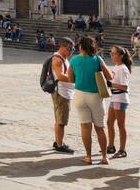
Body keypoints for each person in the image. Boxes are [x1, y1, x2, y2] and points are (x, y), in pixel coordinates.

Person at [68, 36, 111, 165]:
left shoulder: (74, 60)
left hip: (80, 95)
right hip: (96, 96)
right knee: (100, 128)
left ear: (80, 46)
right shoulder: (97, 59)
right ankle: (104, 156)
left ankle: (88, 156)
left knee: (85, 127)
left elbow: (71, 79)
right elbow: (109, 76)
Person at [47, 37, 76, 154]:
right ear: (63, 47)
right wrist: (77, 79)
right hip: (61, 93)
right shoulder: (58, 59)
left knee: (59, 118)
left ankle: (57, 141)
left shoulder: (63, 58)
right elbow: (60, 76)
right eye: (70, 48)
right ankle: (59, 145)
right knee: (61, 120)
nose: (72, 50)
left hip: (64, 92)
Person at [105, 46, 132, 159]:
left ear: (121, 56)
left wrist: (111, 84)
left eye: (114, 53)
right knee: (109, 123)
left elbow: (125, 87)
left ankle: (122, 150)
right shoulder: (116, 67)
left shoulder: (123, 69)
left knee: (121, 125)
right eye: (111, 53)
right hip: (114, 98)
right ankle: (111, 146)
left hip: (120, 98)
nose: (112, 55)